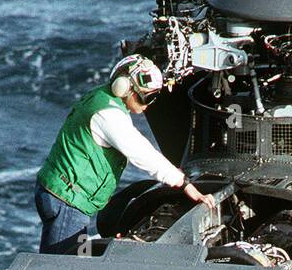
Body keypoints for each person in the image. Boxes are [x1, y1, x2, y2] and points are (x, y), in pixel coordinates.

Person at [35, 54, 215, 252]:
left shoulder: (102, 97)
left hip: (61, 193)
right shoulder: (108, 115)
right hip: (67, 200)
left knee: (60, 258)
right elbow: (141, 152)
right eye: (145, 96)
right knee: (58, 265)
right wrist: (183, 183)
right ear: (123, 87)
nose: (148, 103)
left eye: (154, 97)